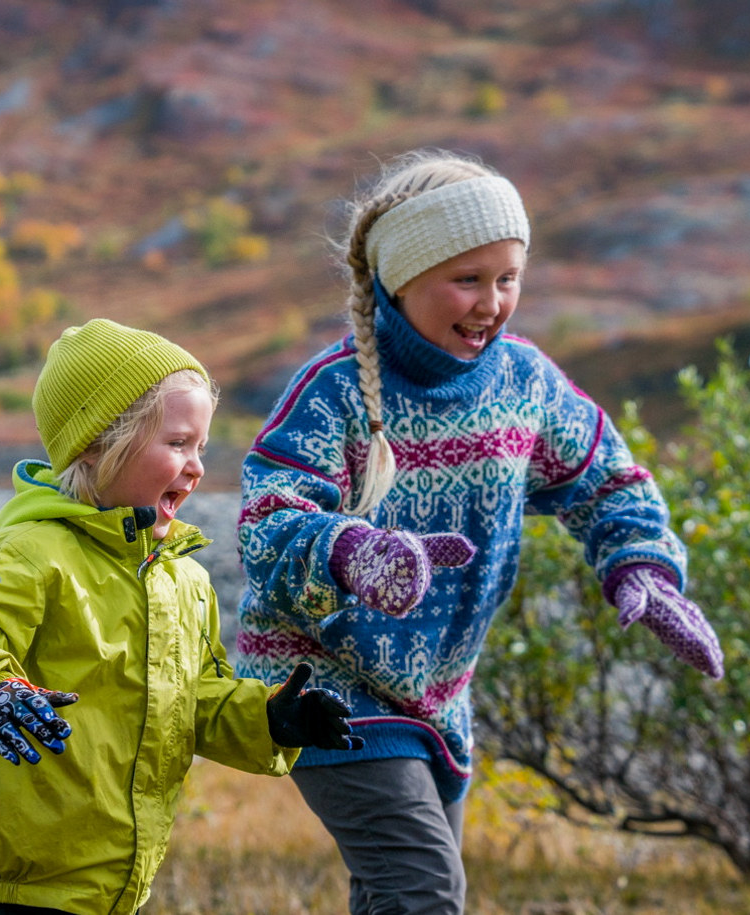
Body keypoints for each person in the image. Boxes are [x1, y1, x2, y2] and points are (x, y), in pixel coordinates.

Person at [233, 150, 725, 914]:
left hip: (440, 696)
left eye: (508, 278)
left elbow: (608, 478)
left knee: (404, 893)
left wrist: (642, 565)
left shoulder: (525, 382)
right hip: (323, 682)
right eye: (467, 279)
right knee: (423, 889)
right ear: (400, 278)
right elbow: (268, 523)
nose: (492, 303)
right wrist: (354, 552)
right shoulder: (333, 392)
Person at [0, 318, 364, 915]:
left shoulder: (183, 579)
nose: (196, 467)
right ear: (97, 445)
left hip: (124, 882)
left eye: (201, 448)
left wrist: (273, 719)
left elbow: (195, 700)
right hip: (32, 884)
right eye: (177, 444)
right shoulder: (33, 552)